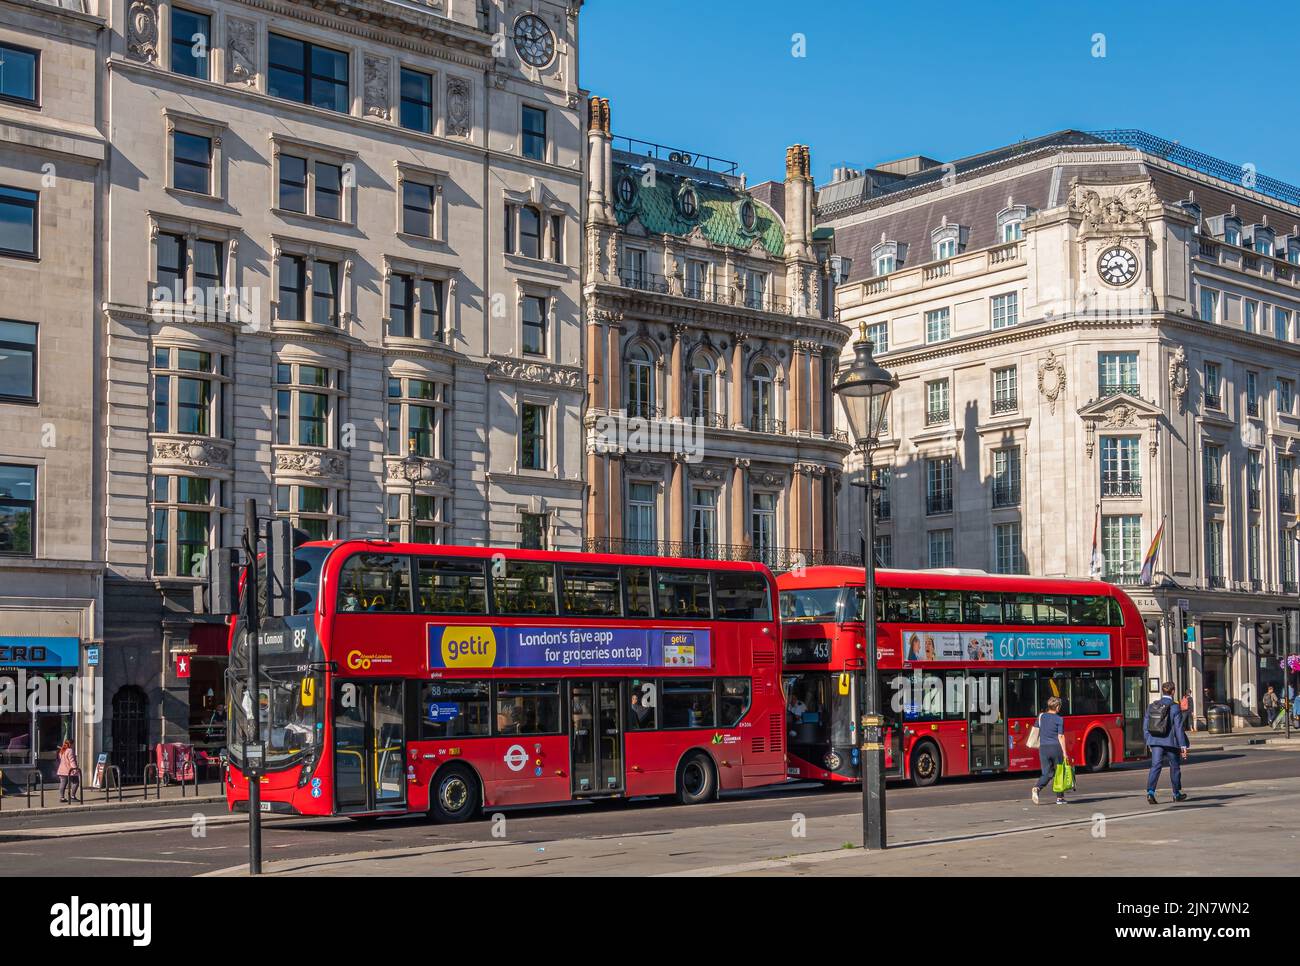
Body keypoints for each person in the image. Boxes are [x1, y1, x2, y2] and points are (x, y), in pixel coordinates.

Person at [1144, 681, 1189, 804]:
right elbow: (1179, 728)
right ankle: (1176, 794)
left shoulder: (1152, 705)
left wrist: (1148, 739)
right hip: (1171, 743)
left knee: (1155, 766)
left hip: (1155, 741)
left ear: (1162, 691)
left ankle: (1150, 792)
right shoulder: (1175, 707)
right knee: (1174, 767)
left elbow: (1146, 725)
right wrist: (1183, 746)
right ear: (1173, 691)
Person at [1031, 696, 1069, 806]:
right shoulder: (1059, 719)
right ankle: (1060, 798)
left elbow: (1036, 728)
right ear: (1057, 707)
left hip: (1043, 749)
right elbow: (1061, 736)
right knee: (1059, 772)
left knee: (1046, 773)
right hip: (1055, 748)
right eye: (1059, 706)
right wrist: (1065, 753)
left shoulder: (1041, 716)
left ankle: (1037, 788)